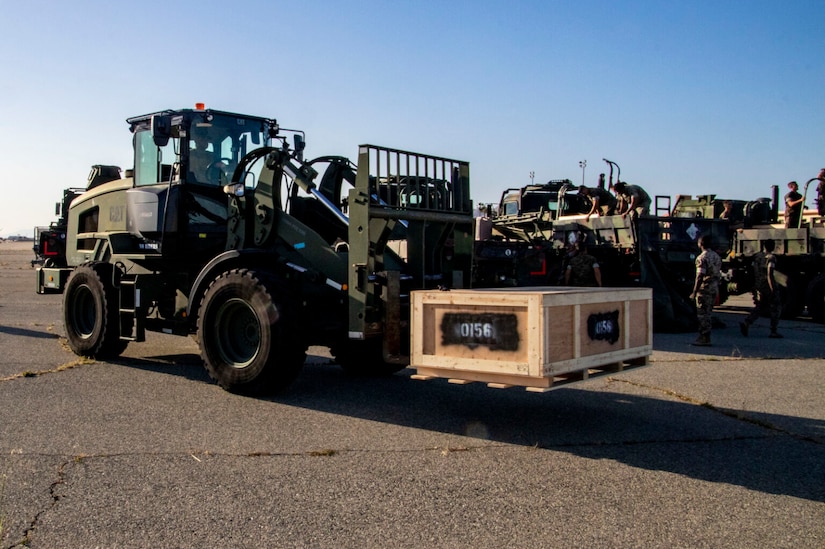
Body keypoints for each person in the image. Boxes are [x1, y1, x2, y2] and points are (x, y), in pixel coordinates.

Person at [740, 239, 782, 338]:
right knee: (775, 307)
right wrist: (772, 289)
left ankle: (747, 322)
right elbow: (769, 274)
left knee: (760, 307)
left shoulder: (757, 256)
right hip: (767, 285)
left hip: (758, 285)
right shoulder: (771, 258)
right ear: (773, 247)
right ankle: (773, 330)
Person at [689, 234, 721, 346]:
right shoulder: (716, 256)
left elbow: (700, 276)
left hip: (705, 289)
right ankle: (706, 336)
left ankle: (704, 337)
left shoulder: (701, 258)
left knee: (702, 314)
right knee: (708, 313)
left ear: (700, 244)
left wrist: (694, 291)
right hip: (714, 288)